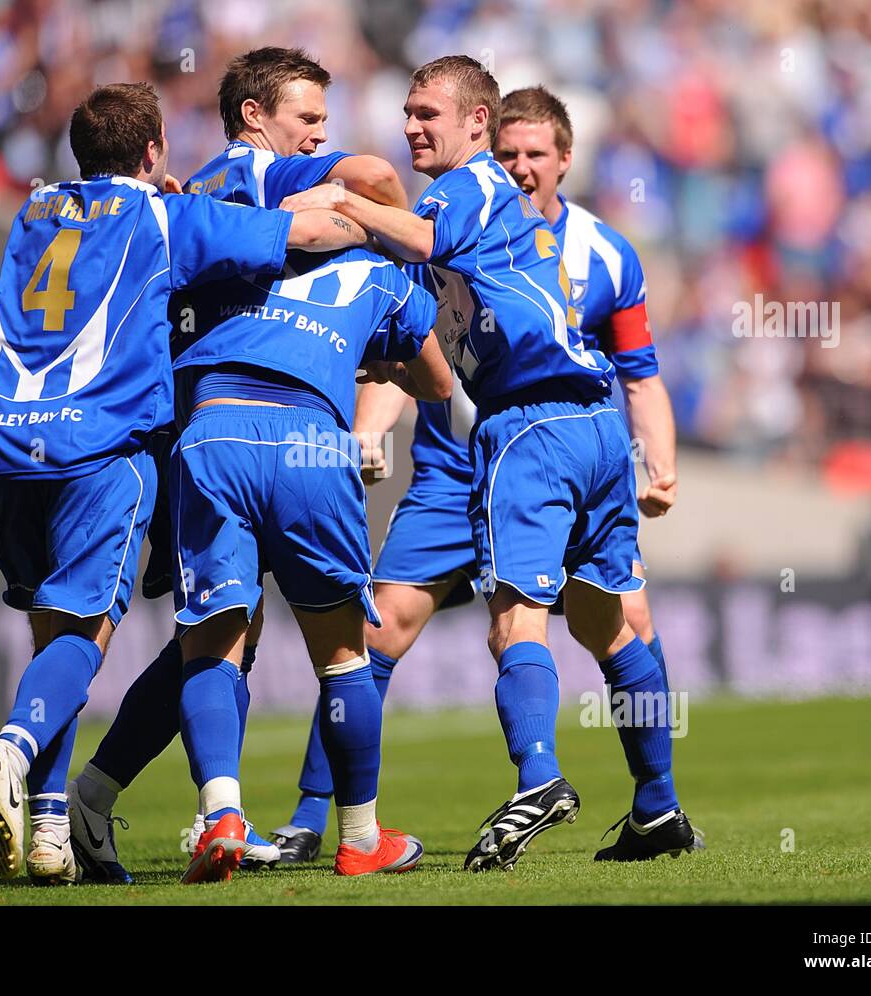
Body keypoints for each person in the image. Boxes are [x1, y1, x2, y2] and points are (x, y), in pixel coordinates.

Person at [281, 57, 699, 868]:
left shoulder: (466, 190)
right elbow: (423, 347)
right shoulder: (481, 213)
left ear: (479, 123)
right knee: (607, 622)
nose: (411, 127)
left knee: (514, 619)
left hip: (527, 433)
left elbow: (421, 237)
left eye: (427, 112)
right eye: (406, 112)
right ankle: (657, 808)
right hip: (586, 431)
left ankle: (539, 777)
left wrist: (339, 197)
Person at [0, 80, 368, 885]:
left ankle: (50, 832)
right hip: (101, 447)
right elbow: (313, 227)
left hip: (5, 441)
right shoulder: (166, 215)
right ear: (152, 153)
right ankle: (14, 749)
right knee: (81, 634)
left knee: (52, 634)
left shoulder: (34, 211)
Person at [67, 47, 418, 879]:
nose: (319, 139)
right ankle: (358, 837)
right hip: (275, 437)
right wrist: (383, 225)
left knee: (216, 639)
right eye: (308, 119)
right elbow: (372, 176)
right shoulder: (254, 177)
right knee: (321, 650)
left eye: (323, 125)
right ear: (254, 117)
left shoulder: (180, 207)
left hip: (191, 436)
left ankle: (132, 800)